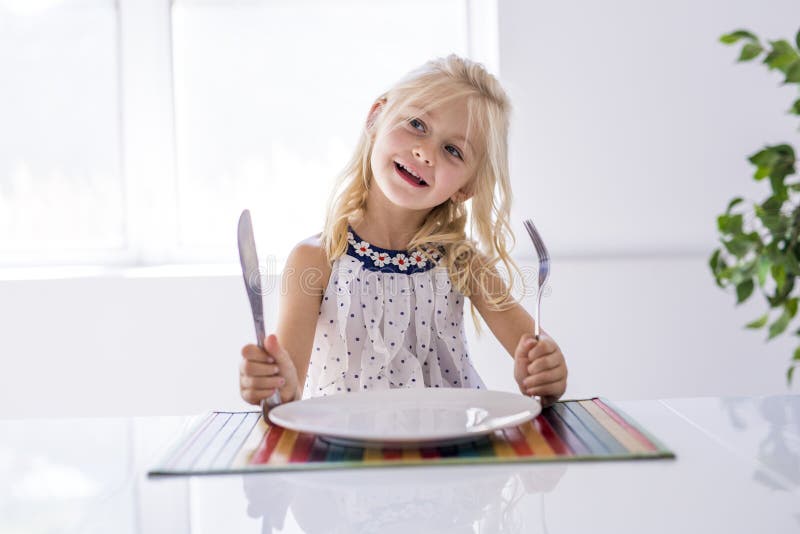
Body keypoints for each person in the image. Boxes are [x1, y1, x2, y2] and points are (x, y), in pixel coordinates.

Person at [239, 55, 567, 408]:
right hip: (348, 451)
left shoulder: (465, 264)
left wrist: (546, 372)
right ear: (376, 117)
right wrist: (273, 381)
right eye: (416, 124)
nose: (425, 153)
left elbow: (539, 364)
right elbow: (287, 396)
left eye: (453, 150)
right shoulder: (315, 260)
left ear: (466, 187)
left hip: (451, 451)